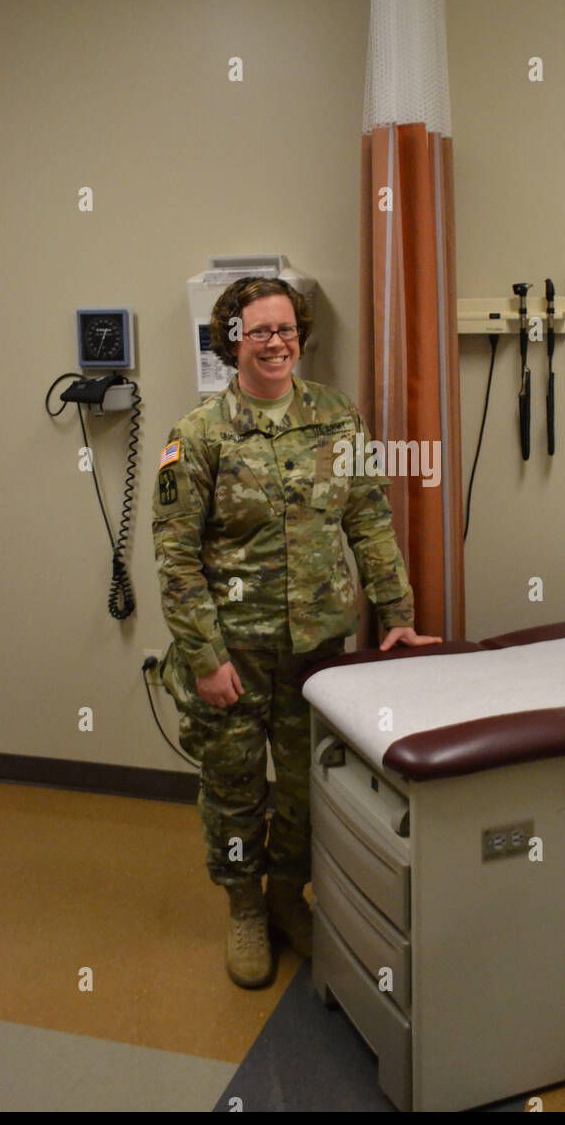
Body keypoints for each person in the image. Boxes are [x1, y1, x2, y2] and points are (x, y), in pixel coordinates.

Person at [152, 276, 441, 989]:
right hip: (235, 655)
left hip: (316, 649)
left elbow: (367, 516)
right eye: (260, 332)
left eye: (286, 330)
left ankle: (289, 894)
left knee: (312, 786)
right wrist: (207, 658)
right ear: (232, 342)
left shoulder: (336, 418)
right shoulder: (199, 437)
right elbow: (177, 559)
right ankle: (246, 907)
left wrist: (397, 614)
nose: (276, 343)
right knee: (236, 787)